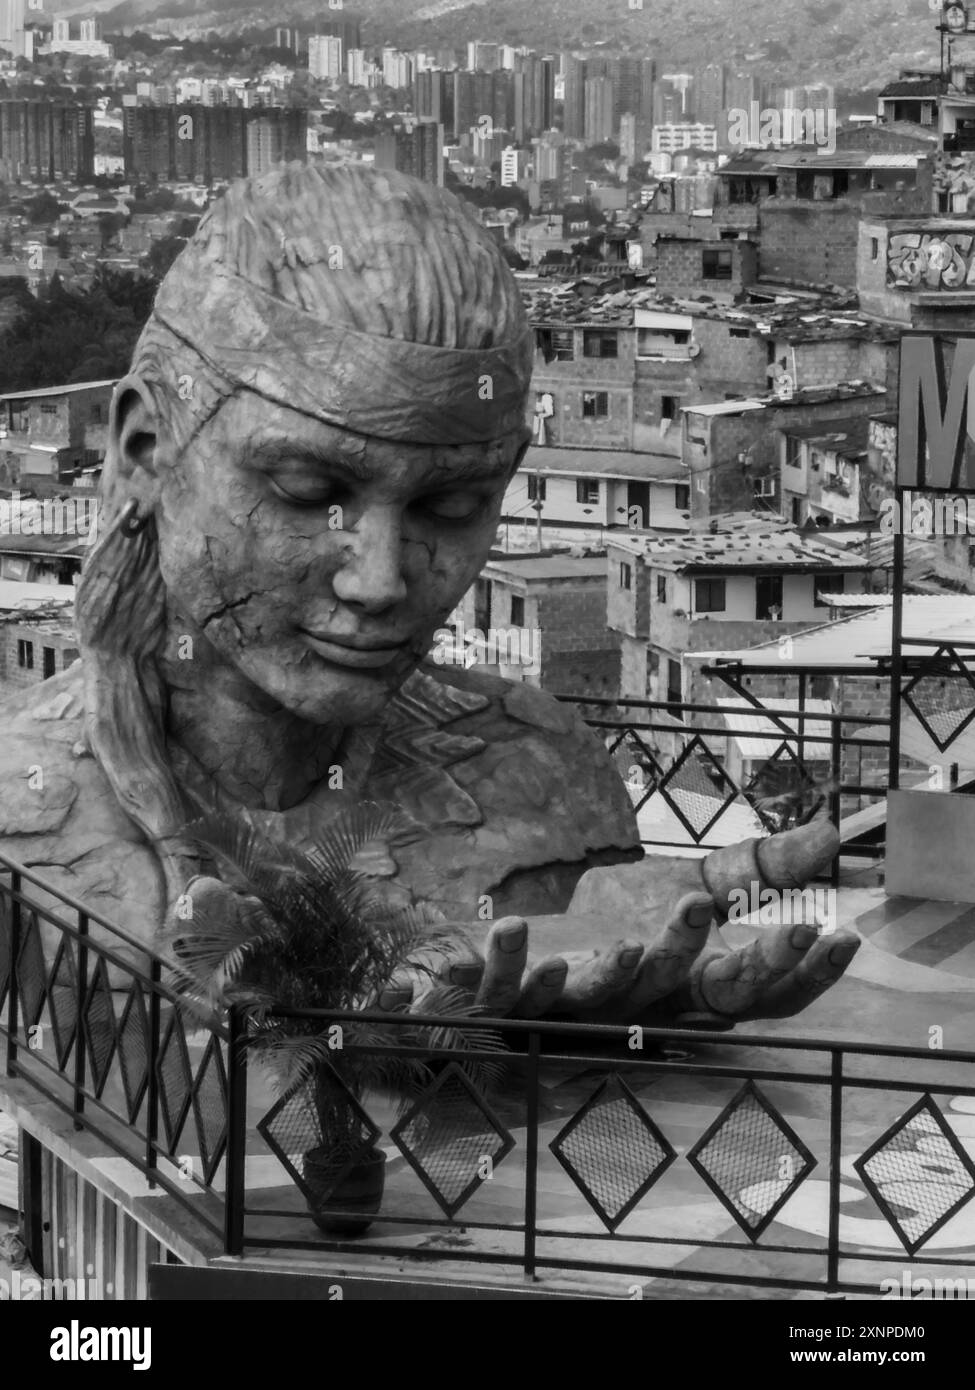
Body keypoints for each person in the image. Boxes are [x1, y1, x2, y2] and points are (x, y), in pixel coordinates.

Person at [0, 162, 858, 1026]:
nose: (379, 580)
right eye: (306, 490)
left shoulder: (546, 786)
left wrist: (631, 1025)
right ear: (145, 449)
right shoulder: (18, 829)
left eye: (451, 506)